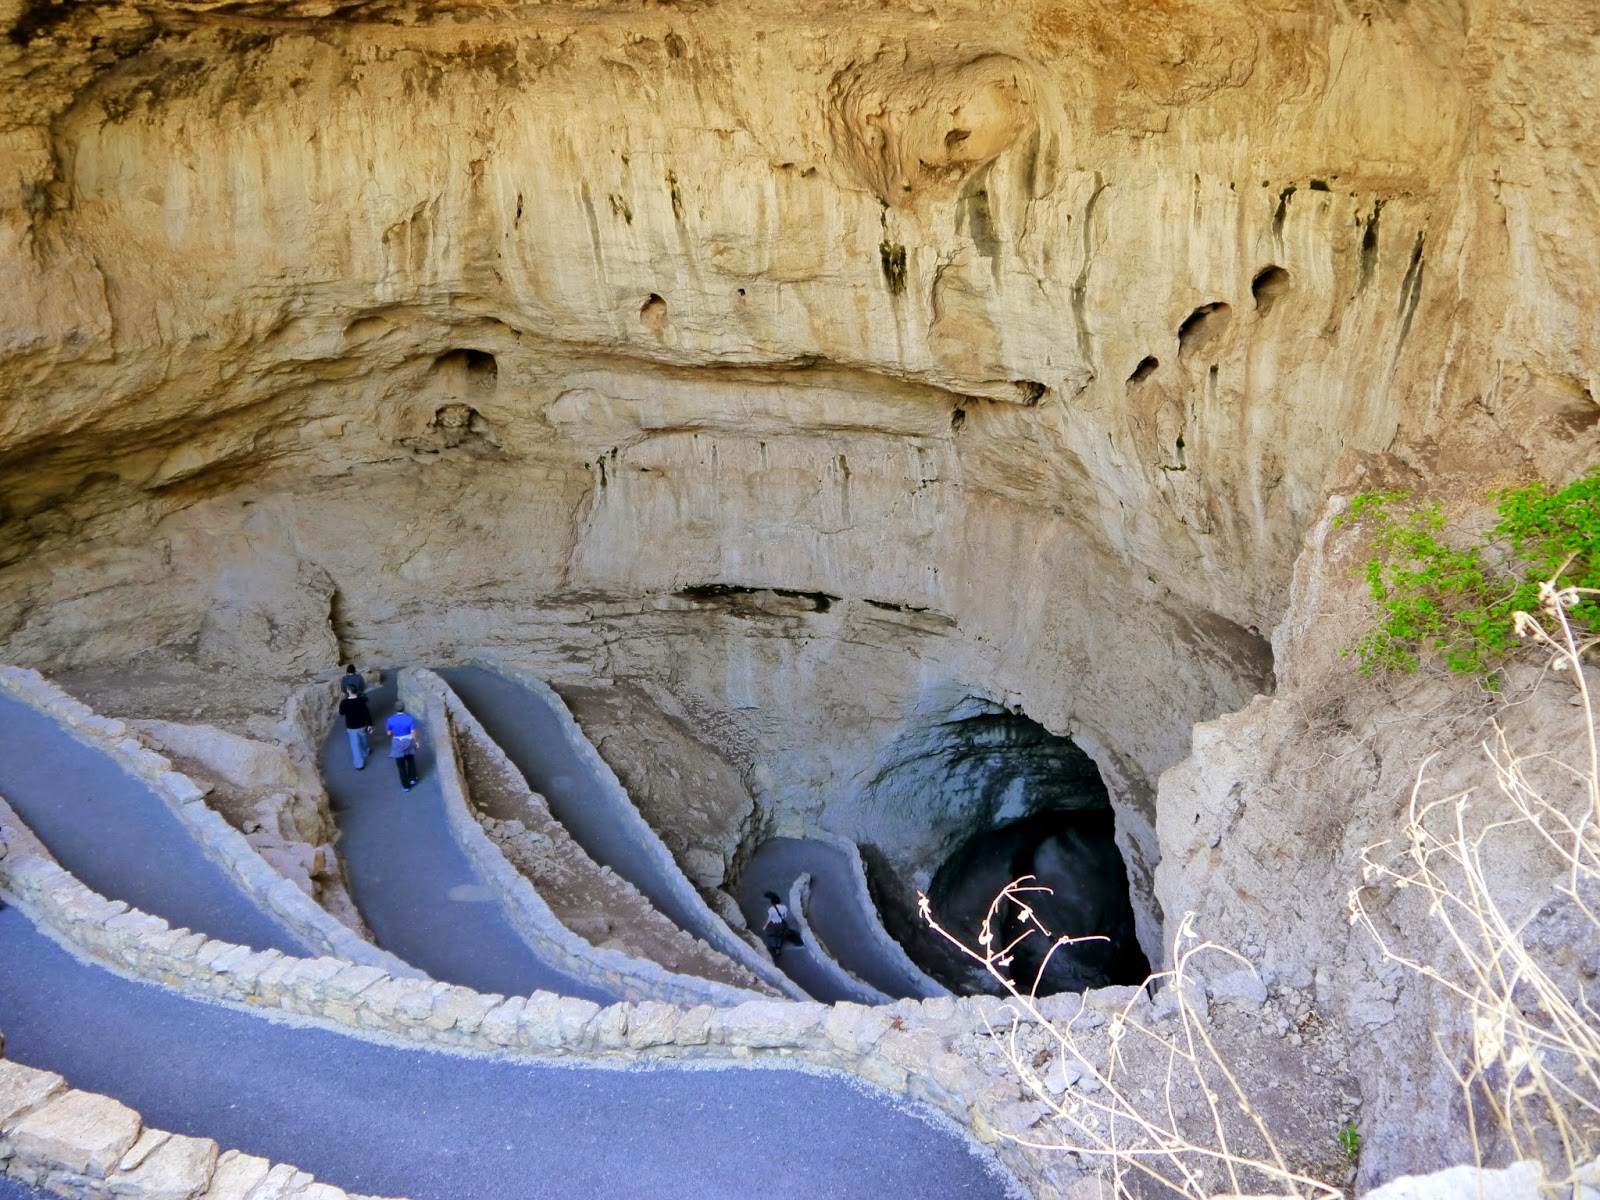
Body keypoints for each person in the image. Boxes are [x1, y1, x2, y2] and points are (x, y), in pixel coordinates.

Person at [385, 702, 420, 792]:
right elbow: (413, 732)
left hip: (397, 743)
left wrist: (394, 732)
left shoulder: (390, 720)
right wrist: (416, 741)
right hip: (408, 741)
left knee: (401, 766)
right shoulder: (409, 719)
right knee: (410, 760)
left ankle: (406, 786)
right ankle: (413, 779)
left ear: (395, 709)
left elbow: (388, 733)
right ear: (404, 708)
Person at [338, 687, 374, 770]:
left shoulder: (344, 702)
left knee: (355, 744)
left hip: (351, 726)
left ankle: (359, 764)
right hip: (361, 725)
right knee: (363, 739)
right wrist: (370, 724)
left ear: (349, 691)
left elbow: (341, 712)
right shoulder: (361, 700)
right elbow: (366, 713)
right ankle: (365, 751)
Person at [762, 891, 794, 962]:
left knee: (772, 935)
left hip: (773, 924)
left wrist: (765, 926)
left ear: (772, 902)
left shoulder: (771, 909)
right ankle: (778, 947)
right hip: (780, 924)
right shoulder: (784, 907)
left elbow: (769, 919)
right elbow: (784, 916)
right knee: (779, 935)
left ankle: (774, 946)